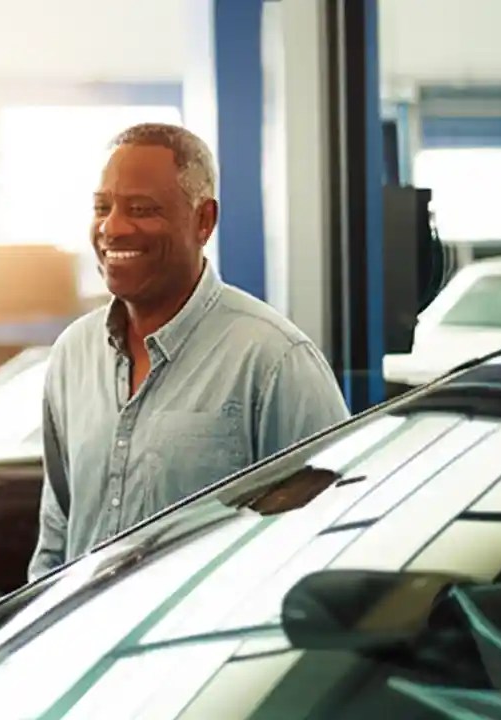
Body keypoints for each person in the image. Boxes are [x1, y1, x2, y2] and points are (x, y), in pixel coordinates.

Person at [27, 123, 350, 581]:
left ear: (204, 221)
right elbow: (57, 536)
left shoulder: (273, 362)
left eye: (141, 209)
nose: (113, 228)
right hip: (86, 649)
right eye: (103, 207)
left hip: (204, 649)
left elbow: (325, 540)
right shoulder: (72, 355)